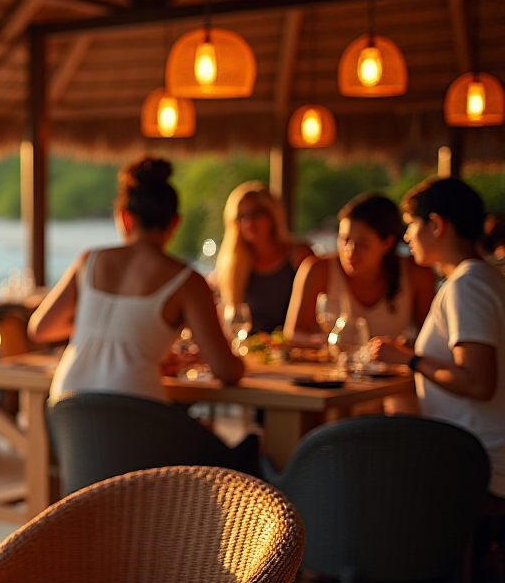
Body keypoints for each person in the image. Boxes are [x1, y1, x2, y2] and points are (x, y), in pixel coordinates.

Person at [32, 157, 243, 401]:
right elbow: (226, 371)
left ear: (124, 216)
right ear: (175, 222)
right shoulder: (189, 281)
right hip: (135, 408)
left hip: (68, 405)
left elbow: (41, 328)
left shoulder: (90, 260)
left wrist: (118, 333)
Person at [373, 176, 505, 499]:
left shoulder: (467, 285)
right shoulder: (487, 278)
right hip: (475, 455)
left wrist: (411, 360)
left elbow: (478, 382)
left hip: (478, 464)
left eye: (410, 224)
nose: (407, 236)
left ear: (435, 225)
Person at [285, 192, 434, 342]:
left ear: (387, 243)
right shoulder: (319, 270)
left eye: (362, 244)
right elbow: (293, 333)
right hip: (333, 363)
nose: (350, 251)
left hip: (388, 365)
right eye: (344, 239)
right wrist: (323, 342)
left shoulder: (416, 274)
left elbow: (430, 341)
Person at [214, 182, 314, 335]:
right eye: (242, 216)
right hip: (252, 352)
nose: (249, 222)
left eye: (257, 213)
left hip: (297, 350)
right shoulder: (233, 265)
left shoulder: (299, 255)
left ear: (273, 214)